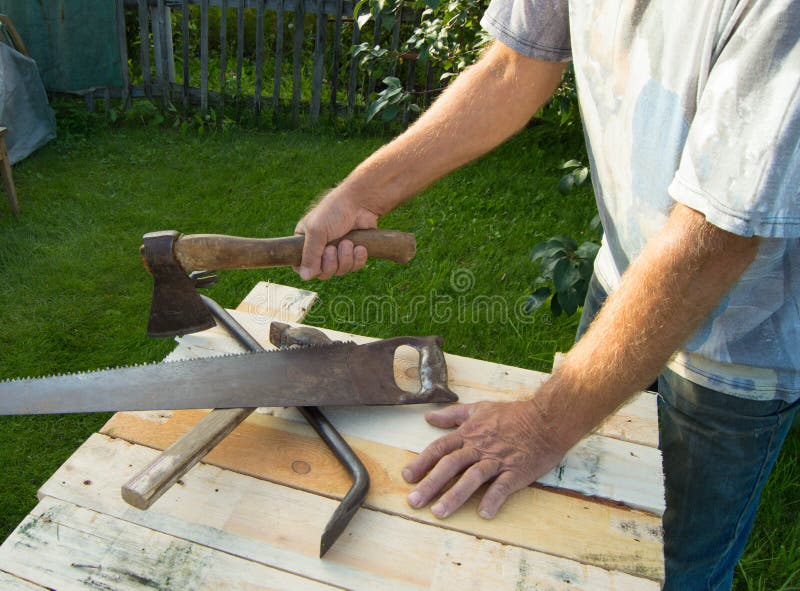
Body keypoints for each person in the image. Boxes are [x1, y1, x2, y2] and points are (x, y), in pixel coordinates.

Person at [293, 1, 800, 588]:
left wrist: (541, 424)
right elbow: (514, 68)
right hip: (625, 288)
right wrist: (361, 193)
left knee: (666, 570)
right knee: (583, 531)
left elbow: (717, 238)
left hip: (738, 354)